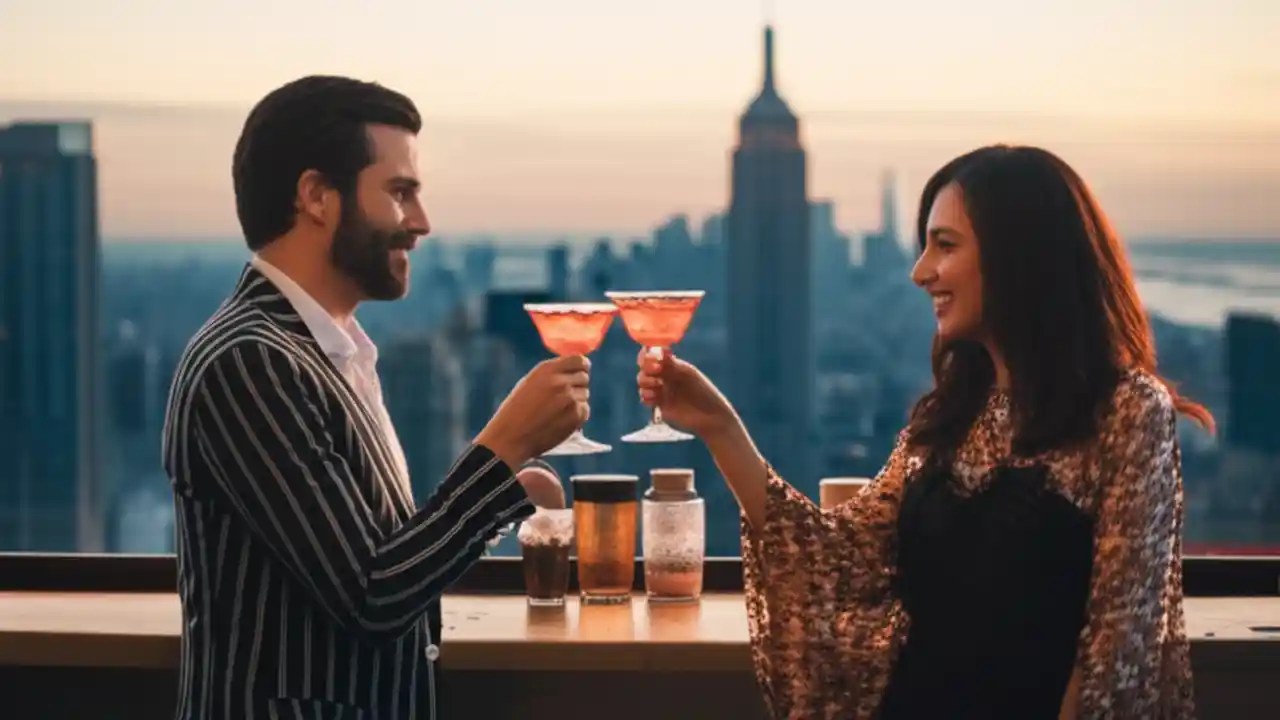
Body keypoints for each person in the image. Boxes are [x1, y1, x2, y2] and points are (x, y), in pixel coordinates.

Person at [637, 144, 1211, 719]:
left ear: (1018, 256)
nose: (920, 272)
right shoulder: (951, 415)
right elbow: (836, 560)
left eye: (946, 245)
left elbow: (1116, 658)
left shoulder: (1128, 413)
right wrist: (718, 425)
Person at [162, 75, 588, 720]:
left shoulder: (331, 355)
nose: (420, 222)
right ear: (316, 197)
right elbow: (373, 595)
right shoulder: (251, 363)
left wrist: (511, 489)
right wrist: (504, 447)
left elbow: (380, 560)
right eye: (399, 192)